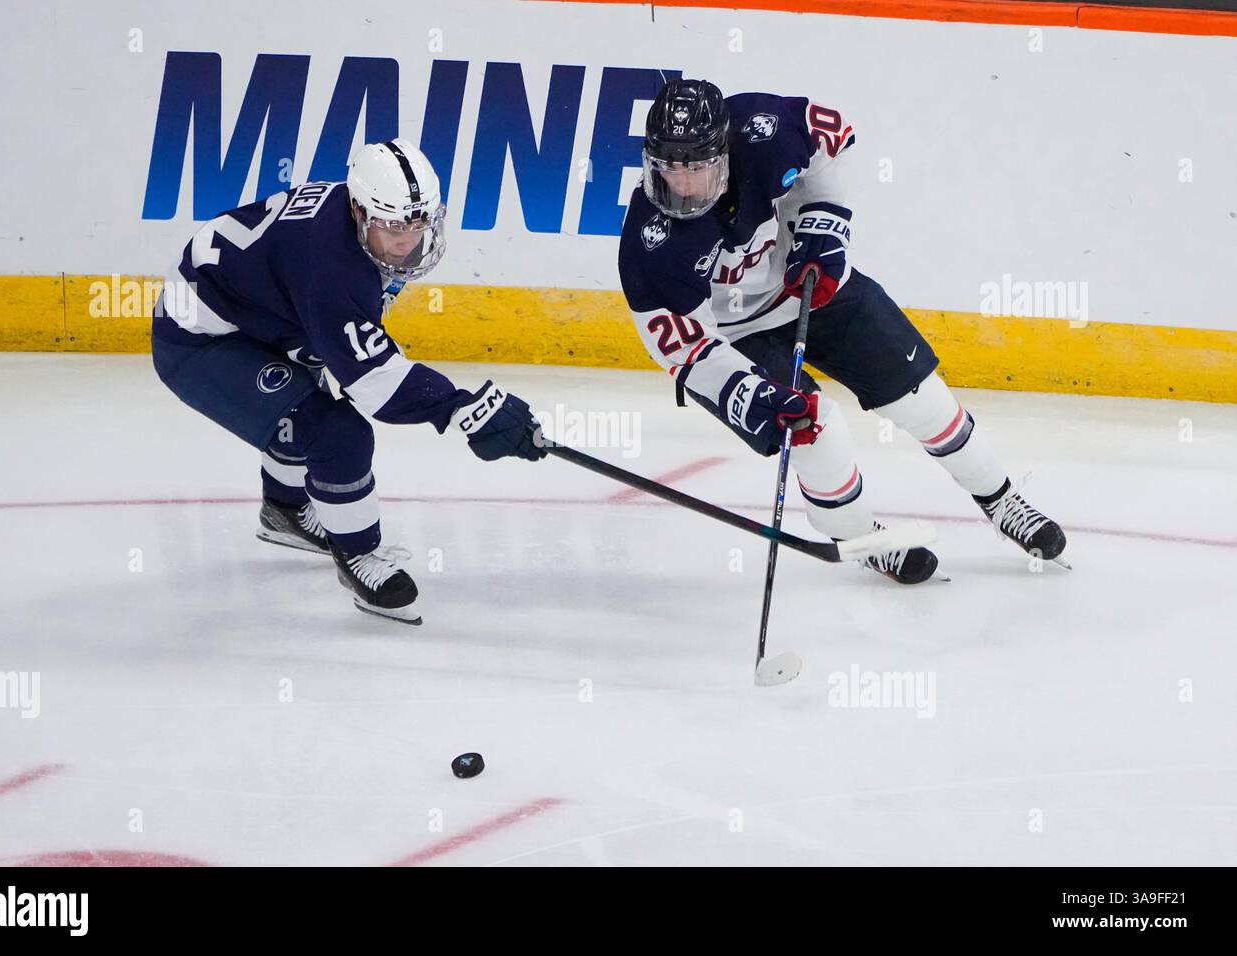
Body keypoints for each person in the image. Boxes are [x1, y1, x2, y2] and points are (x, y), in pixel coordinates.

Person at [618, 79, 1066, 583]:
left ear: (723, 151)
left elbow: (832, 149)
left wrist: (822, 223)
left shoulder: (766, 130)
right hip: (732, 335)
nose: (681, 183)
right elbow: (684, 348)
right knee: (816, 429)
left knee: (922, 398)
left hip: (807, 284)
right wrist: (749, 392)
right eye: (669, 167)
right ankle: (860, 537)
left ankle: (1002, 500)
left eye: (695, 167)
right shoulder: (650, 246)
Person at [152, 139, 546, 624]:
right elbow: (376, 382)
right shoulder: (331, 267)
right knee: (337, 432)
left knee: (308, 391)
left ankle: (286, 510)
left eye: (419, 224)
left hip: (255, 313)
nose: (407, 241)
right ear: (359, 211)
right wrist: (460, 408)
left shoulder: (355, 227)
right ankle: (359, 554)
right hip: (198, 339)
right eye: (393, 227)